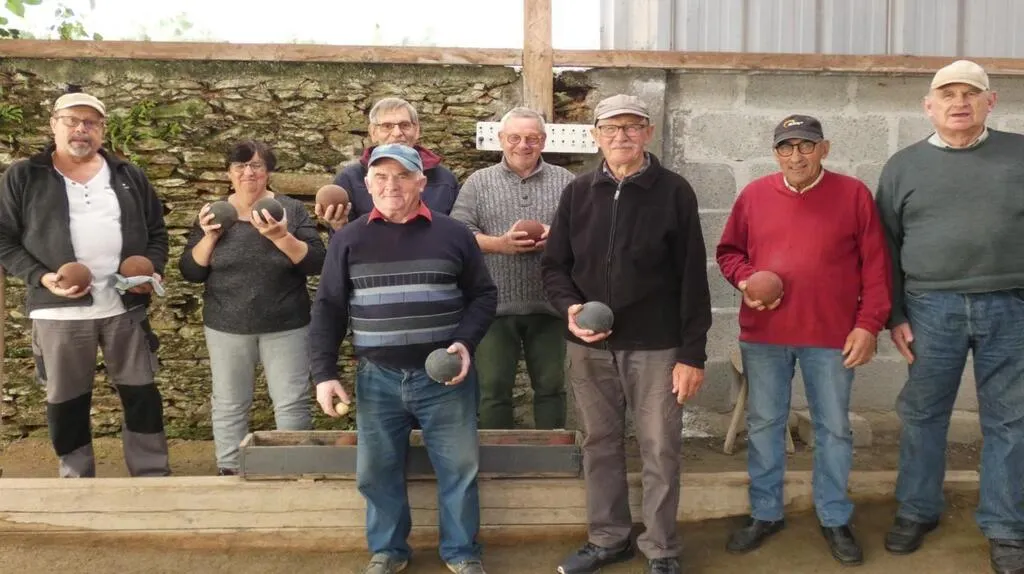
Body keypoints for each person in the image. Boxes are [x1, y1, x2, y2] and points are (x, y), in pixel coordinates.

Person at [541, 94, 712, 574]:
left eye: (632, 127)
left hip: (657, 347)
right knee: (599, 443)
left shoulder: (674, 191)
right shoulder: (578, 192)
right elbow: (554, 266)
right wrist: (570, 308)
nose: (622, 136)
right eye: (611, 128)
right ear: (595, 136)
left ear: (648, 133)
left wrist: (692, 354)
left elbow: (692, 278)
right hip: (589, 346)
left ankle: (661, 548)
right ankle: (608, 539)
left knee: (660, 447)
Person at [309, 143, 497, 574]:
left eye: (402, 175)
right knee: (377, 471)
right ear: (367, 184)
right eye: (381, 176)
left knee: (460, 469)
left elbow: (484, 295)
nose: (390, 185)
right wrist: (324, 374)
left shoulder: (454, 234)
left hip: (446, 379)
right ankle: (389, 551)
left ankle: (462, 552)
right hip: (378, 377)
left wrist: (465, 343)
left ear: (421, 182)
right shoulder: (349, 238)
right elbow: (328, 308)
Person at [716, 114, 892, 566]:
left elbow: (876, 266)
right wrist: (747, 280)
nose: (796, 156)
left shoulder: (853, 194)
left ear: (824, 149)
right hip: (765, 336)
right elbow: (729, 253)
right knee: (764, 424)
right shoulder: (754, 195)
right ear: (775, 153)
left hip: (830, 336)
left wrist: (868, 324)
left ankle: (834, 516)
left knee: (833, 427)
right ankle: (766, 512)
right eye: (786, 147)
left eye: (806, 146)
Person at [876, 60, 1024, 574]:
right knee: (923, 413)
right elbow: (886, 246)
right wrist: (895, 313)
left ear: (991, 101)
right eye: (948, 94)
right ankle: (917, 510)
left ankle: (1006, 527)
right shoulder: (903, 166)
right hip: (930, 308)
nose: (959, 102)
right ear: (929, 106)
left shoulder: (1020, 155)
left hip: (1011, 306)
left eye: (970, 93)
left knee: (1010, 419)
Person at [0, 91, 170, 478]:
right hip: (58, 312)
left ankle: (152, 475)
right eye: (72, 120)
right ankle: (76, 479)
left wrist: (152, 271)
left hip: (124, 308)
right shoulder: (24, 176)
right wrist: (42, 277)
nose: (81, 129)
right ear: (53, 125)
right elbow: (3, 239)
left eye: (91, 122)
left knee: (142, 394)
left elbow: (157, 234)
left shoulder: (128, 175)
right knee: (67, 401)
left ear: (102, 130)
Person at [178, 140, 325, 476]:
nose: (249, 172)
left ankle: (292, 469)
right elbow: (191, 271)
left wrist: (280, 237)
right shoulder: (214, 212)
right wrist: (210, 236)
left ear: (268, 172)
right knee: (229, 402)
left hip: (286, 324)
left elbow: (317, 262)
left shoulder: (289, 210)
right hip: (226, 325)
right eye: (240, 166)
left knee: (291, 402)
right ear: (229, 173)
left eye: (257, 165)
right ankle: (231, 470)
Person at [450, 107, 574, 430]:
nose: (523, 145)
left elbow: (586, 230)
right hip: (493, 304)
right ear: (501, 139)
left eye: (531, 138)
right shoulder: (479, 182)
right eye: (514, 137)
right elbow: (459, 233)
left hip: (550, 304)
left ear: (543, 140)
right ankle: (498, 454)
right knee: (493, 390)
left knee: (551, 388)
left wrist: (557, 236)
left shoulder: (566, 181)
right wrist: (499, 245)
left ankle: (551, 453)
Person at [317, 97, 460, 233]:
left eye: (405, 125)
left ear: (416, 131)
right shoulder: (350, 179)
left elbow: (455, 235)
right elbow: (342, 244)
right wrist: (339, 225)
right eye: (387, 126)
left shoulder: (445, 180)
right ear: (373, 132)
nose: (397, 133)